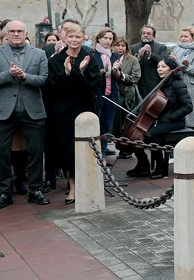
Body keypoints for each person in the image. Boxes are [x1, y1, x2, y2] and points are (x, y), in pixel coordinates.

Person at [0, 20, 50, 209]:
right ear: (5, 34)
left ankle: (35, 190)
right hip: (2, 112)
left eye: (20, 31)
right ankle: (5, 193)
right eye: (12, 31)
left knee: (36, 152)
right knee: (1, 154)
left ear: (26, 33)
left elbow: (44, 80)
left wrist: (25, 76)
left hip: (32, 111)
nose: (17, 34)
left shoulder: (39, 53)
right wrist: (8, 74)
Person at [44, 24, 101, 205]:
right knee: (67, 150)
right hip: (62, 113)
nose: (74, 40)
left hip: (84, 110)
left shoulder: (90, 58)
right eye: (71, 37)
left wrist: (79, 71)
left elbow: (91, 85)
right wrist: (67, 72)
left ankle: (86, 185)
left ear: (83, 38)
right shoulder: (55, 61)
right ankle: (73, 186)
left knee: (85, 149)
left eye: (78, 37)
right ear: (65, 39)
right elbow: (52, 87)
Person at [127, 59, 192, 180]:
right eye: (158, 67)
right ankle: (143, 164)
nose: (160, 69)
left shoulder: (178, 84)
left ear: (171, 69)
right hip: (162, 120)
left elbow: (188, 106)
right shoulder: (160, 83)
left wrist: (172, 116)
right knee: (135, 136)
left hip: (175, 122)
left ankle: (161, 165)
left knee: (150, 135)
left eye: (163, 66)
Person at [110, 38, 141, 158]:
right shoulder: (110, 58)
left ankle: (126, 149)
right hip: (112, 94)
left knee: (126, 122)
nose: (120, 48)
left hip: (127, 94)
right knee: (115, 123)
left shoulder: (132, 60)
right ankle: (119, 145)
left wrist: (122, 75)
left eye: (123, 46)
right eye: (117, 45)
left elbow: (136, 77)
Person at [170, 26, 194, 132]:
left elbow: (193, 70)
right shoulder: (177, 49)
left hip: (191, 86)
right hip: (178, 85)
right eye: (182, 36)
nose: (183, 39)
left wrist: (177, 61)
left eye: (186, 36)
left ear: (193, 38)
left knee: (192, 117)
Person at [91, 28, 118, 156]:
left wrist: (117, 71)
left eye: (110, 39)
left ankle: (102, 154)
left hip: (111, 95)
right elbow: (91, 75)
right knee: (95, 127)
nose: (108, 41)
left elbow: (117, 77)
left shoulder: (114, 55)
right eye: (105, 38)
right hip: (97, 95)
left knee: (106, 127)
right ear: (99, 39)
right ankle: (94, 155)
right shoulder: (91, 54)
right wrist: (103, 70)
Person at [134, 25, 174, 100]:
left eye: (148, 33)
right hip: (139, 85)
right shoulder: (134, 48)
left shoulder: (161, 47)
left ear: (153, 36)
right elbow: (131, 65)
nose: (145, 35)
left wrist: (151, 54)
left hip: (156, 85)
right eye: (143, 33)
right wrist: (138, 56)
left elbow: (165, 61)